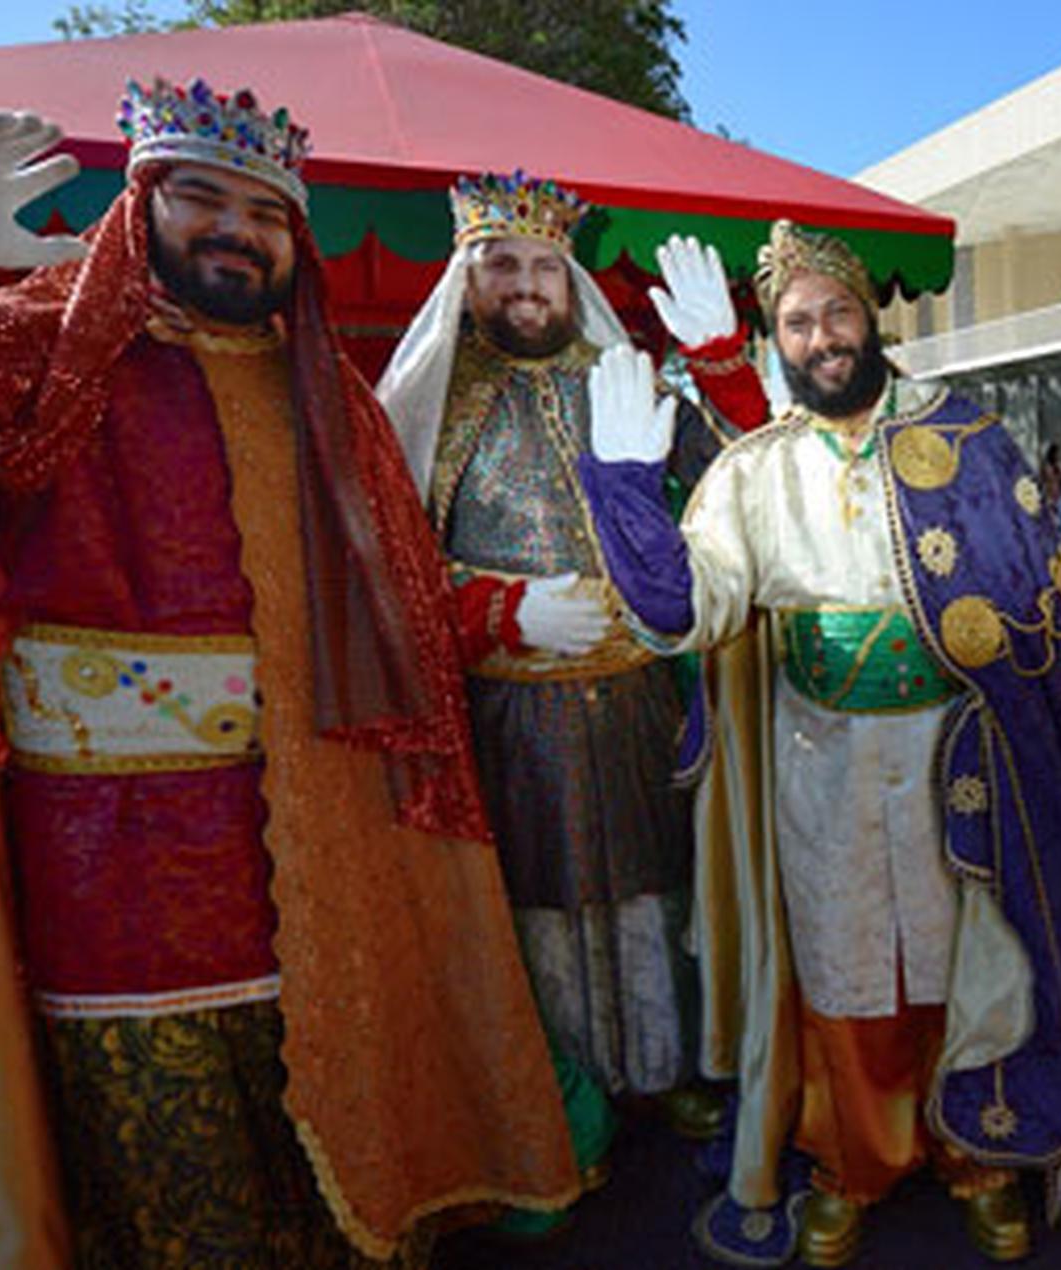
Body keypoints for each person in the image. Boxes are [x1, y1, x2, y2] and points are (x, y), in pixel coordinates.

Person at [0, 86, 575, 1263]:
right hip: (110, 880)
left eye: (264, 212)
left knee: (342, 1189)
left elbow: (394, 611)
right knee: (168, 1199)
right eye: (199, 195)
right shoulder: (35, 342)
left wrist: (505, 608)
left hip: (333, 856)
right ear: (140, 204)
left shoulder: (332, 399)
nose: (233, 230)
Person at [577, 220, 1061, 1264]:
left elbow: (1035, 591)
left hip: (959, 758)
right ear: (775, 341)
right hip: (822, 767)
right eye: (797, 322)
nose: (822, 338)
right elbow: (695, 608)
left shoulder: (970, 440)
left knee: (972, 958)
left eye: (837, 313)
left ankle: (979, 1156)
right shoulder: (752, 471)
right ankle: (850, 1164)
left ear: (871, 318)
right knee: (847, 970)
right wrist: (628, 496)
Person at [376, 172, 753, 1142]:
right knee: (536, 902)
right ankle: (559, 1088)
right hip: (505, 712)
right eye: (503, 264)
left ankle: (665, 1068)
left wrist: (717, 361)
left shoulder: (619, 374)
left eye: (545, 264)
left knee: (650, 883)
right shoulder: (424, 404)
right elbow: (384, 575)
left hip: (634, 696)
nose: (527, 284)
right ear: (467, 278)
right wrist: (499, 610)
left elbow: (744, 474)